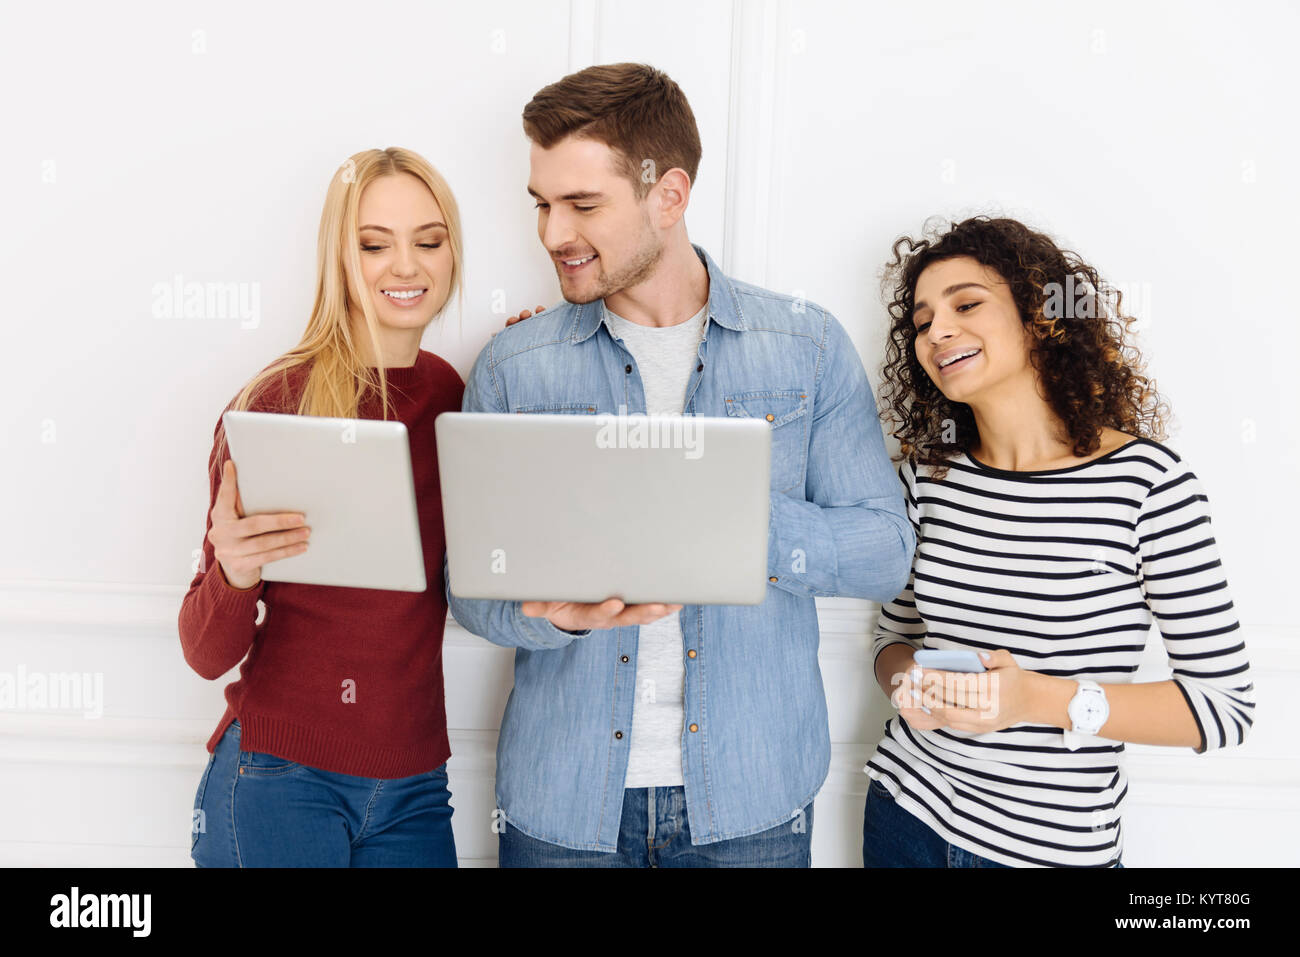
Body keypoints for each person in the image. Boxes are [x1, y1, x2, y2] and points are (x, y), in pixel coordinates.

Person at [446, 62, 914, 867]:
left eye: (583, 204)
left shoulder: (805, 346)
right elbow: (470, 591)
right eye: (543, 204)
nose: (553, 233)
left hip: (753, 807)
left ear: (669, 194)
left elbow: (884, 552)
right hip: (563, 810)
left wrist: (731, 521)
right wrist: (556, 613)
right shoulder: (514, 367)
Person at [863, 216, 1255, 867]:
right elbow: (892, 640)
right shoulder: (926, 479)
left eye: (966, 304)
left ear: (1040, 317)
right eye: (922, 320)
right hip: (908, 816)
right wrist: (908, 681)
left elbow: (1220, 707)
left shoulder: (1149, 486)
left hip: (1051, 851)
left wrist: (1036, 698)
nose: (937, 331)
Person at [180, 147, 466, 867]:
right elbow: (204, 651)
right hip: (278, 779)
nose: (406, 266)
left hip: (417, 786)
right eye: (375, 244)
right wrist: (235, 574)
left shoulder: (458, 397)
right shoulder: (271, 405)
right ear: (341, 257)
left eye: (428, 241)